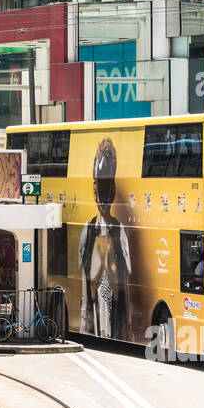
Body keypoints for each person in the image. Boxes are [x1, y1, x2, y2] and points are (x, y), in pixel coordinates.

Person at [79, 138, 130, 339]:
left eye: (106, 190)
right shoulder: (88, 228)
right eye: (98, 189)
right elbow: (83, 272)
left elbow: (126, 277)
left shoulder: (119, 229)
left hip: (113, 293)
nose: (101, 199)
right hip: (94, 292)